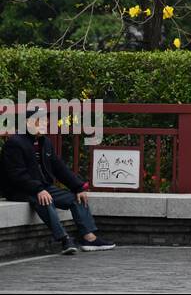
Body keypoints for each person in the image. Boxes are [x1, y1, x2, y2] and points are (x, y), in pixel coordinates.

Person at [1, 105, 116, 253]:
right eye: (40, 121)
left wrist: (78, 187)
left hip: (42, 187)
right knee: (45, 200)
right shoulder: (15, 143)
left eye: (45, 121)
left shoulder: (45, 142)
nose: (45, 124)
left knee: (77, 198)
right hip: (19, 189)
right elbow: (17, 174)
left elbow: (59, 167)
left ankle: (89, 239)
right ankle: (64, 240)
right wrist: (38, 189)